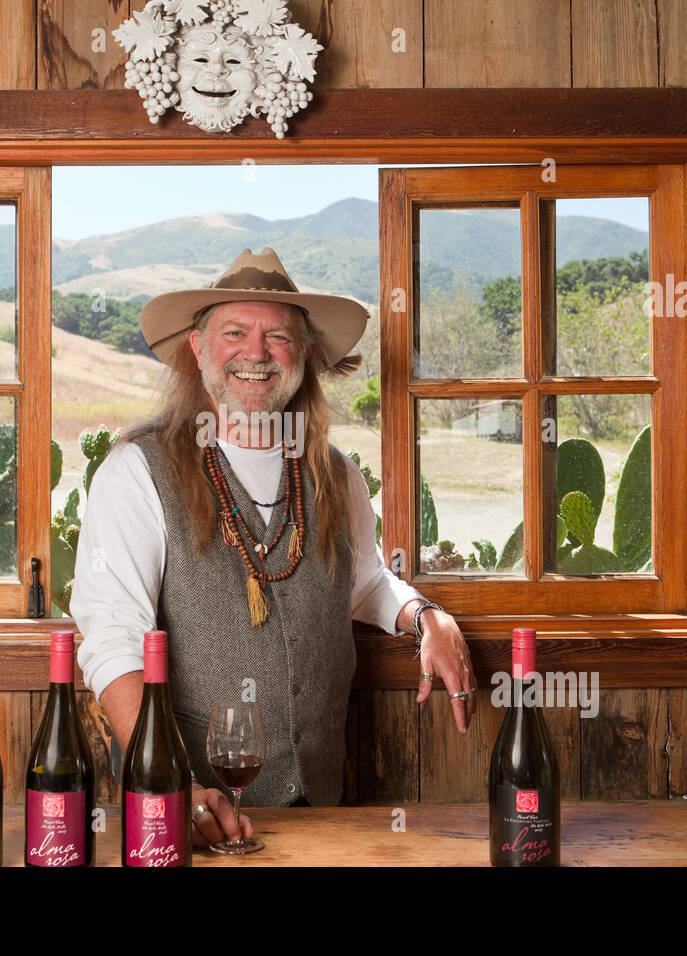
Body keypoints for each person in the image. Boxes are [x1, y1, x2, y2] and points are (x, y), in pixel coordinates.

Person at [71, 247, 477, 849]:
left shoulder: (337, 476)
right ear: (198, 348)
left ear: (304, 354)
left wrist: (426, 616)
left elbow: (363, 580)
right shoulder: (137, 471)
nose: (256, 354)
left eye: (278, 336)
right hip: (197, 823)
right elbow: (110, 638)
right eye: (234, 332)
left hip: (323, 813)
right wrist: (175, 785)